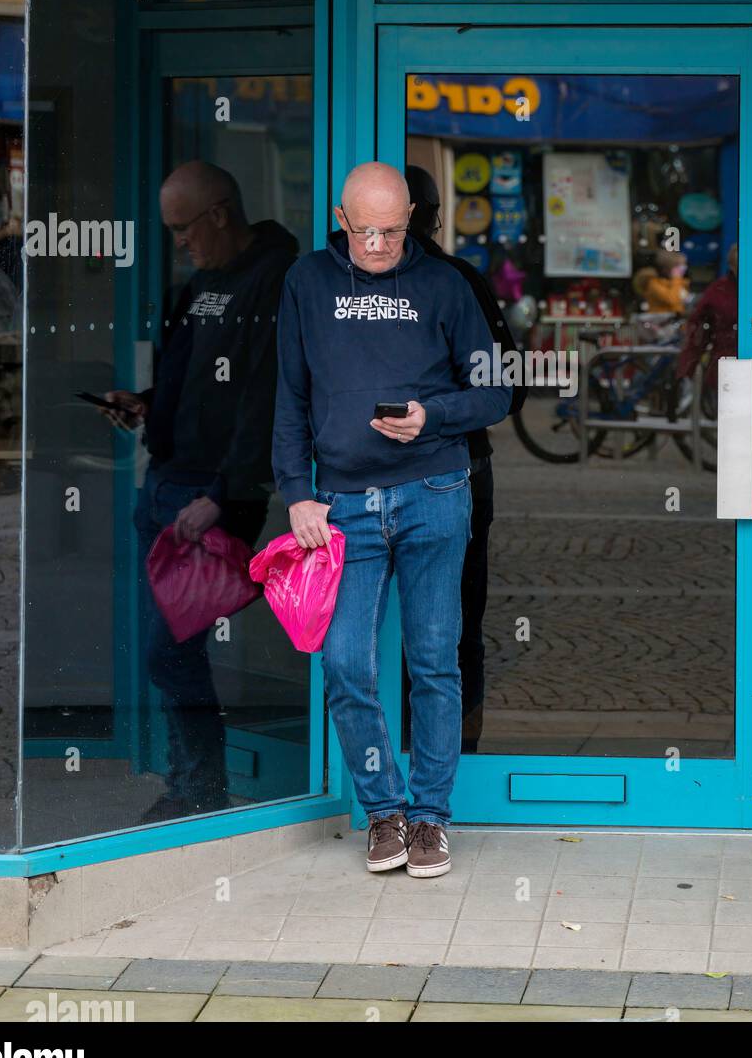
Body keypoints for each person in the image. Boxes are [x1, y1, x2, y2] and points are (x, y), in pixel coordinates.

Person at [272, 161, 512, 878]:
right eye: (366, 231)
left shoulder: (444, 284)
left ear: (413, 219)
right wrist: (296, 492)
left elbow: (495, 393)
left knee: (434, 662)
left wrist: (431, 416)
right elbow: (289, 396)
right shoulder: (308, 282)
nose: (378, 245)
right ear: (340, 220)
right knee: (345, 661)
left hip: (434, 493)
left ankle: (431, 819)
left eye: (394, 231)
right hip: (340, 506)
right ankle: (384, 811)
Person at [102, 160, 298, 822]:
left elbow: (262, 399)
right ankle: (189, 779)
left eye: (185, 227)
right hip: (165, 483)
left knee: (170, 648)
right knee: (162, 650)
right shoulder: (205, 280)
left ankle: (199, 787)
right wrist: (148, 405)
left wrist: (224, 492)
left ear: (219, 213)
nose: (180, 242)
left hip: (211, 497)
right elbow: (195, 381)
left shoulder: (271, 280)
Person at [404, 165, 526, 752]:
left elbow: (504, 387)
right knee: (453, 627)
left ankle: (423, 763)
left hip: (449, 479)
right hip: (457, 478)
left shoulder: (454, 281)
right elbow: (511, 385)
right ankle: (457, 761)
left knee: (430, 626)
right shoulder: (460, 279)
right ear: (434, 216)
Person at [676, 242, 738, 388]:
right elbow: (698, 329)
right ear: (731, 266)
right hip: (725, 364)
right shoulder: (718, 291)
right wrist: (687, 367)